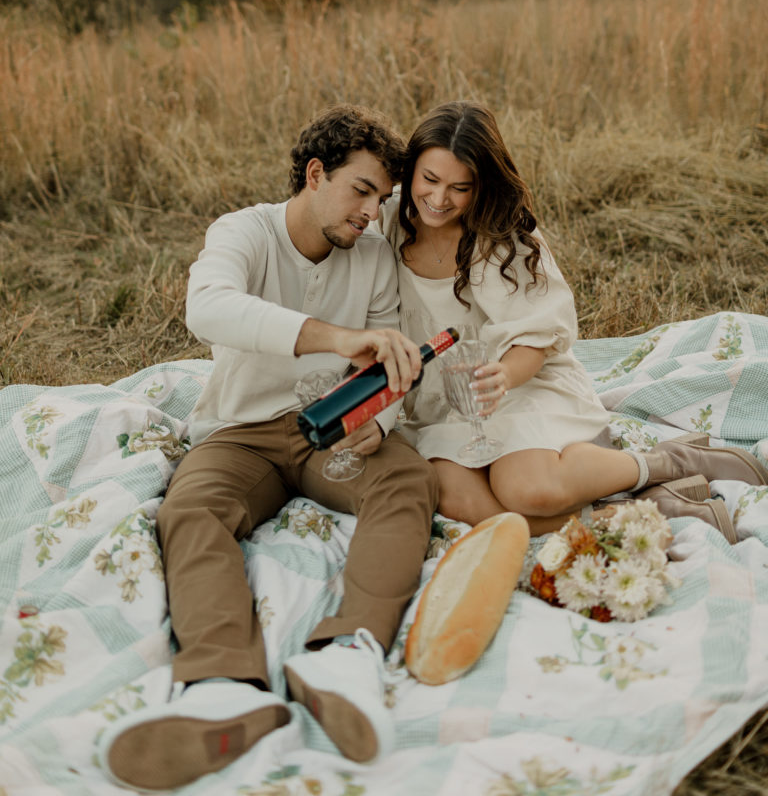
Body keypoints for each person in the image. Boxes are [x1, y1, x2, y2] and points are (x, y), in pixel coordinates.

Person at [99, 104, 439, 792]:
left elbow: (387, 360)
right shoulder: (244, 232)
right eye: (361, 191)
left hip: (329, 429)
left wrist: (380, 415)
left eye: (381, 198)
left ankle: (347, 654)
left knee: (407, 480)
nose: (371, 213)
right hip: (239, 434)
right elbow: (209, 308)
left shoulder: (374, 255)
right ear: (315, 175)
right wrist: (335, 338)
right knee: (190, 510)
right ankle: (224, 686)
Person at [378, 100, 767, 541]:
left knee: (529, 491)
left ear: (481, 186)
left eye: (459, 187)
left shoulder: (500, 235)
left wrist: (502, 377)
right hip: (441, 404)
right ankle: (642, 510)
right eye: (429, 180)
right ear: (411, 170)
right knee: (460, 502)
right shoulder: (387, 222)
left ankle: (671, 461)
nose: (438, 199)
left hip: (519, 384)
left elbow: (535, 340)